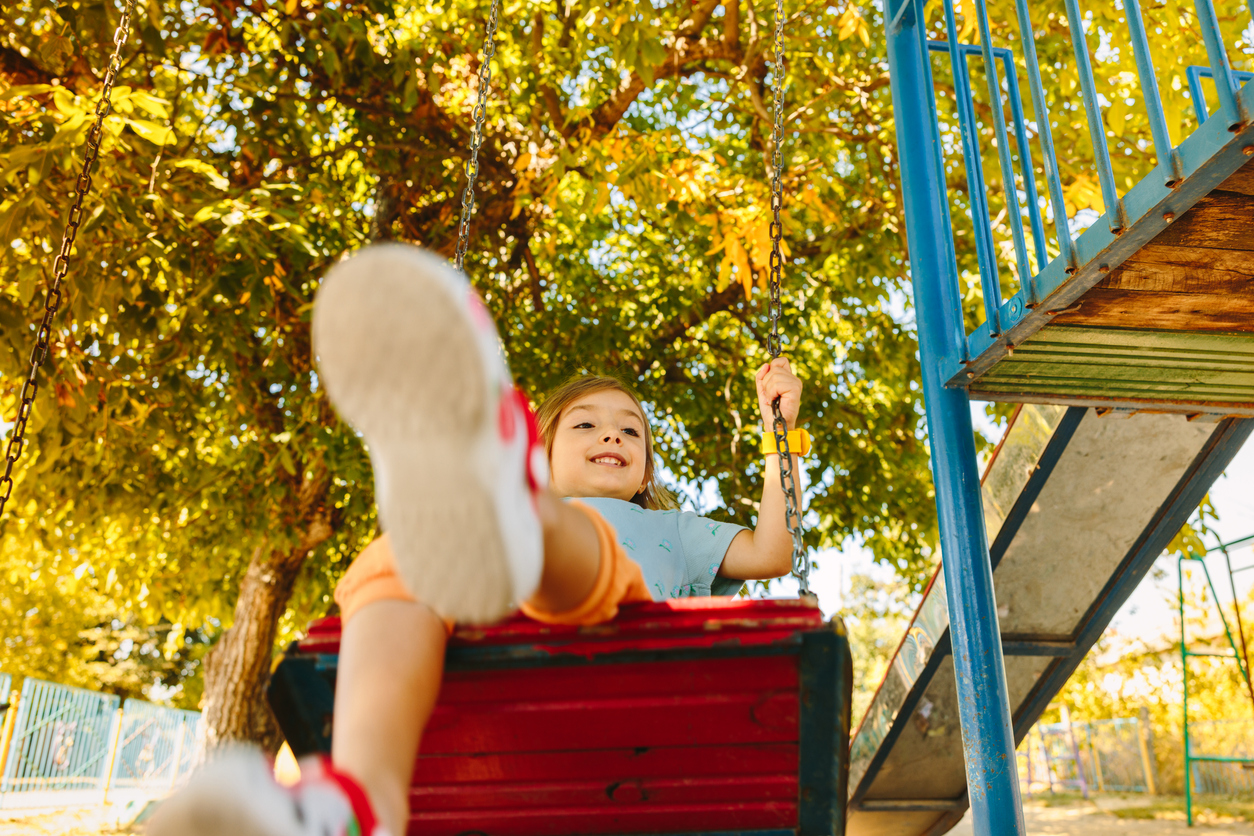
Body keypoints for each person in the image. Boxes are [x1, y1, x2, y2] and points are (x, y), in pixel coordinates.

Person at [150, 243, 809, 836]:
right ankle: (352, 807)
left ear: (643, 473)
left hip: (622, 671)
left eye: (630, 431)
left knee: (562, 544)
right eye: (585, 426)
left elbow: (773, 551)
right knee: (405, 559)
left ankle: (518, 511)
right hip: (495, 671)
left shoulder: (673, 531)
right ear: (547, 453)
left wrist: (780, 433)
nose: (612, 436)